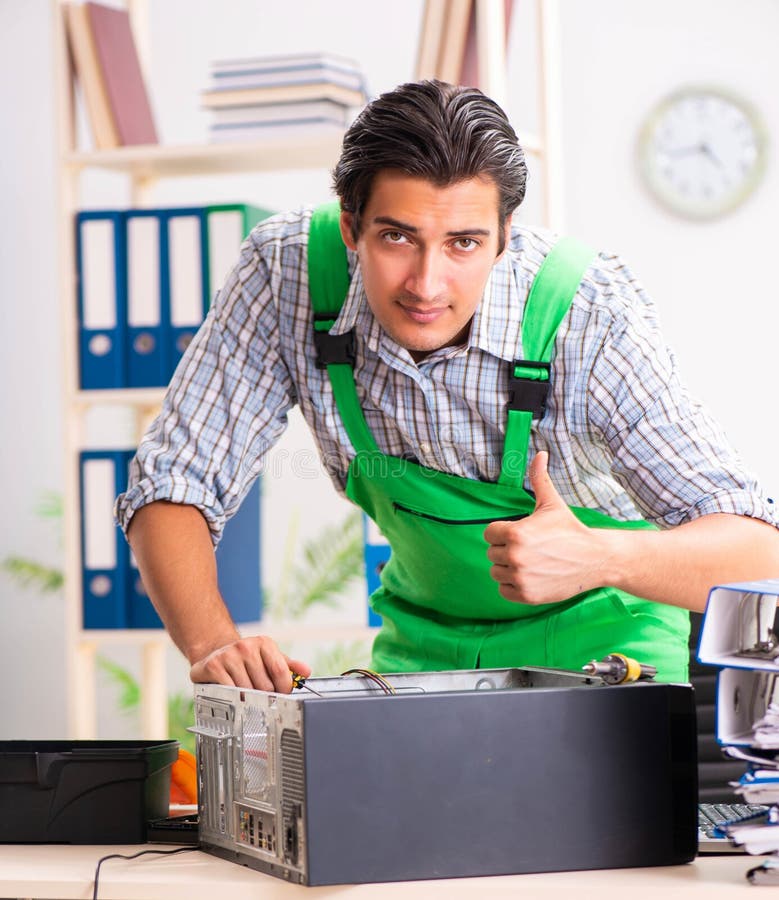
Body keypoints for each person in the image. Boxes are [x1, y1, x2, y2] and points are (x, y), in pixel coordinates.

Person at [115, 79, 779, 693]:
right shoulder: (289, 270)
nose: (426, 285)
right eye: (397, 237)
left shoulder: (587, 313)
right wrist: (212, 642)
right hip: (422, 659)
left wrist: (599, 555)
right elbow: (175, 479)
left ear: (502, 239)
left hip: (603, 658)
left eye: (463, 243)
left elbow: (760, 554)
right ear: (351, 227)